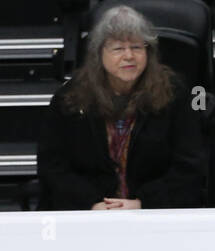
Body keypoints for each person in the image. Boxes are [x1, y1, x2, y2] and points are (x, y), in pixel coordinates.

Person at [37, 5, 205, 210]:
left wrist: (144, 203)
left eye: (136, 47)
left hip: (156, 214)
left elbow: (190, 166)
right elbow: (53, 167)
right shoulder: (70, 98)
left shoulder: (174, 94)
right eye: (118, 49)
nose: (129, 56)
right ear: (99, 54)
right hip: (88, 215)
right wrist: (91, 203)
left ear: (148, 52)